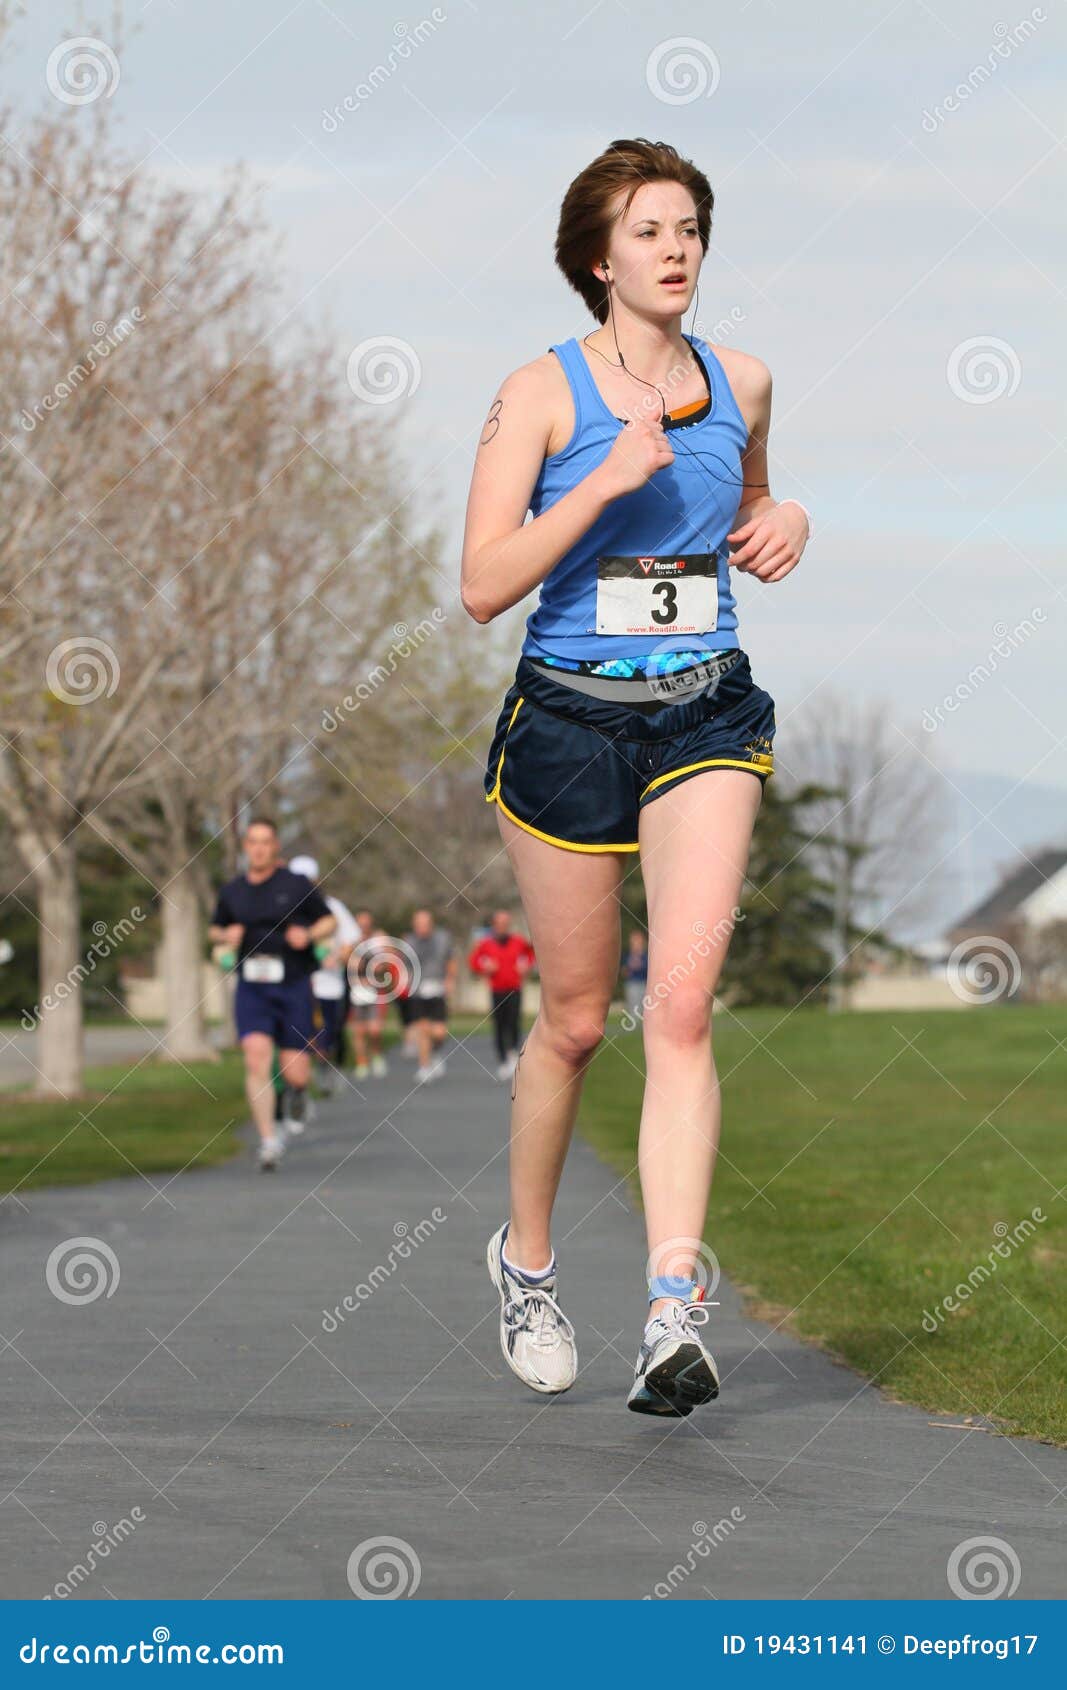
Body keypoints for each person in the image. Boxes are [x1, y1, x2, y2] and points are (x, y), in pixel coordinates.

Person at [461, 140, 809, 1411]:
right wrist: (603, 478)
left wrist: (789, 520)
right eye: (649, 230)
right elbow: (482, 582)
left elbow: (750, 502)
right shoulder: (540, 393)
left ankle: (672, 1310)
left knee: (678, 1007)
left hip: (701, 711)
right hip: (564, 720)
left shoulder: (743, 381)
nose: (675, 249)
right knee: (570, 1018)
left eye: (689, 228)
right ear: (597, 259)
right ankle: (530, 1265)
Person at [209, 819, 336, 1170]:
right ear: (245, 847)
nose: (259, 848)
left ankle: (297, 1094)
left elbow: (329, 921)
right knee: (255, 1057)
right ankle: (268, 1141)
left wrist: (308, 935)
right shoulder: (233, 891)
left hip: (292, 983)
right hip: (252, 985)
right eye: (253, 842)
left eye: (266, 842)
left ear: (276, 846)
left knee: (295, 1072)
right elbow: (215, 928)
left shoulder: (295, 885)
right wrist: (225, 937)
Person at [288, 856, 358, 1094]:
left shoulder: (333, 908)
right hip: (298, 983)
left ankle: (326, 1067)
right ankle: (300, 1085)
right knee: (302, 1035)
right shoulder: (283, 908)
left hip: (330, 985)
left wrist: (336, 957)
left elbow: (350, 940)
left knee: (329, 1033)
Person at [468, 910, 535, 1080]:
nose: (503, 927)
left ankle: (513, 1055)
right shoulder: (486, 944)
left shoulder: (518, 941)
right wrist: (485, 968)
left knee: (513, 1022)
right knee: (499, 1024)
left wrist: (526, 966)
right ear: (494, 925)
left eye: (506, 923)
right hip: (497, 990)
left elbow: (531, 954)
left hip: (515, 989)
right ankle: (503, 1059)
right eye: (499, 924)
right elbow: (474, 961)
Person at [404, 908, 457, 1083]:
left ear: (431, 924)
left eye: (425, 924)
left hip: (437, 989)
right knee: (423, 1029)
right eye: (418, 924)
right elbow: (403, 965)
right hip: (418, 991)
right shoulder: (409, 941)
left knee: (439, 1032)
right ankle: (424, 1067)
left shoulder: (443, 938)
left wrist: (450, 980)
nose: (422, 927)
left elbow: (451, 961)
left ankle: (435, 1053)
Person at [348, 908, 390, 1078]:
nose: (363, 926)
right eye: (360, 923)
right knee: (358, 1031)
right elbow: (349, 964)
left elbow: (383, 965)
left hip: (374, 989)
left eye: (366, 923)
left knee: (374, 1030)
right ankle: (361, 1062)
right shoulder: (351, 940)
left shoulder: (379, 939)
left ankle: (377, 1054)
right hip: (356, 990)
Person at [621, 929, 649, 1026]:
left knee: (644, 1005)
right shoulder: (628, 955)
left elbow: (648, 969)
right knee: (633, 1004)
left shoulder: (646, 955)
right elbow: (624, 971)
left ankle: (644, 1024)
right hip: (631, 984)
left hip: (643, 983)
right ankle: (633, 1024)